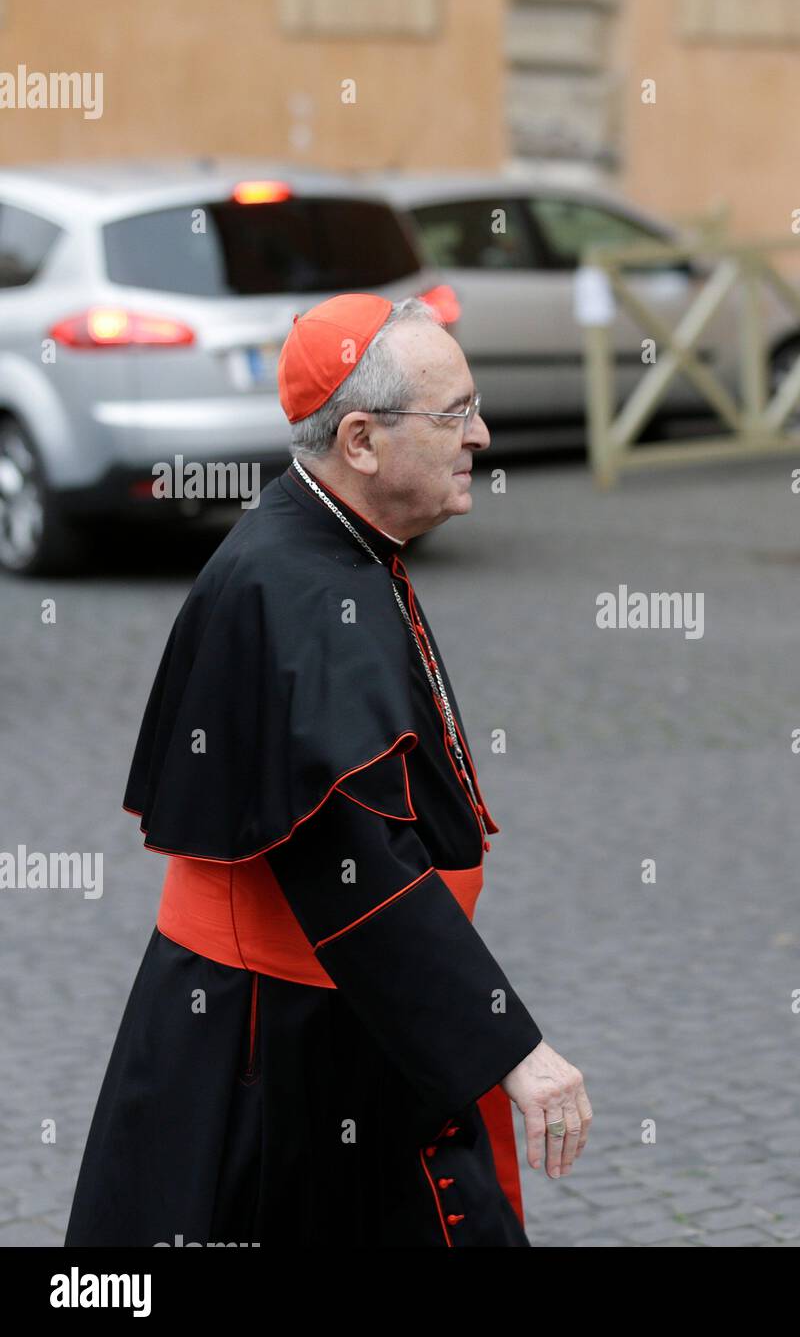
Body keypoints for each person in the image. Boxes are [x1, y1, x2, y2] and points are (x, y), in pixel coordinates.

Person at [65, 293, 592, 1246]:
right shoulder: (301, 591)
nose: (480, 432)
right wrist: (512, 1047)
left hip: (329, 1010)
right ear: (360, 440)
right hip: (285, 1039)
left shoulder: (322, 543)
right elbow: (356, 865)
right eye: (453, 414)